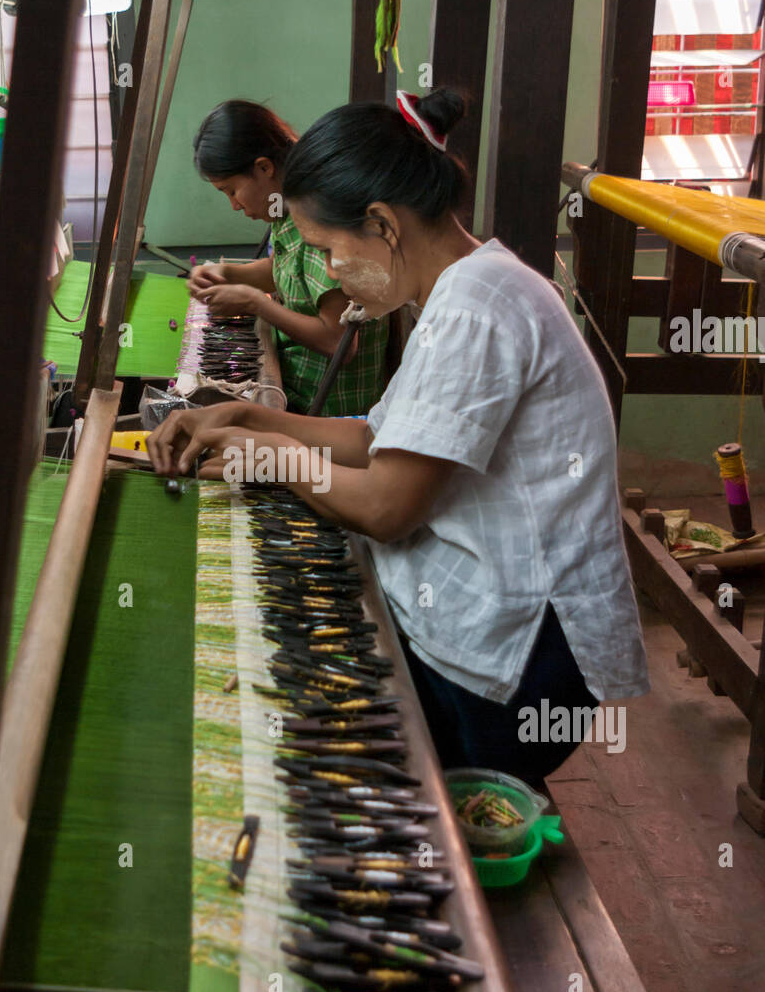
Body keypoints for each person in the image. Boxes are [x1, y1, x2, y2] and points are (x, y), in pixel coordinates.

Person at [148, 88, 650, 784]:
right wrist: (241, 415)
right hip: (496, 625)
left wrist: (267, 453)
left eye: (327, 249)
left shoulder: (476, 309)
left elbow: (386, 506)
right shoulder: (460, 291)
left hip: (522, 660)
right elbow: (376, 437)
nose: (325, 272)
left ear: (382, 224)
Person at [189, 100, 389, 416]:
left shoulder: (318, 216)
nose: (234, 206)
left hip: (327, 413)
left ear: (264, 167)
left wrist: (256, 303)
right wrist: (226, 273)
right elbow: (287, 271)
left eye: (232, 191)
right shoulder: (283, 204)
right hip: (291, 384)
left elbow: (339, 345)